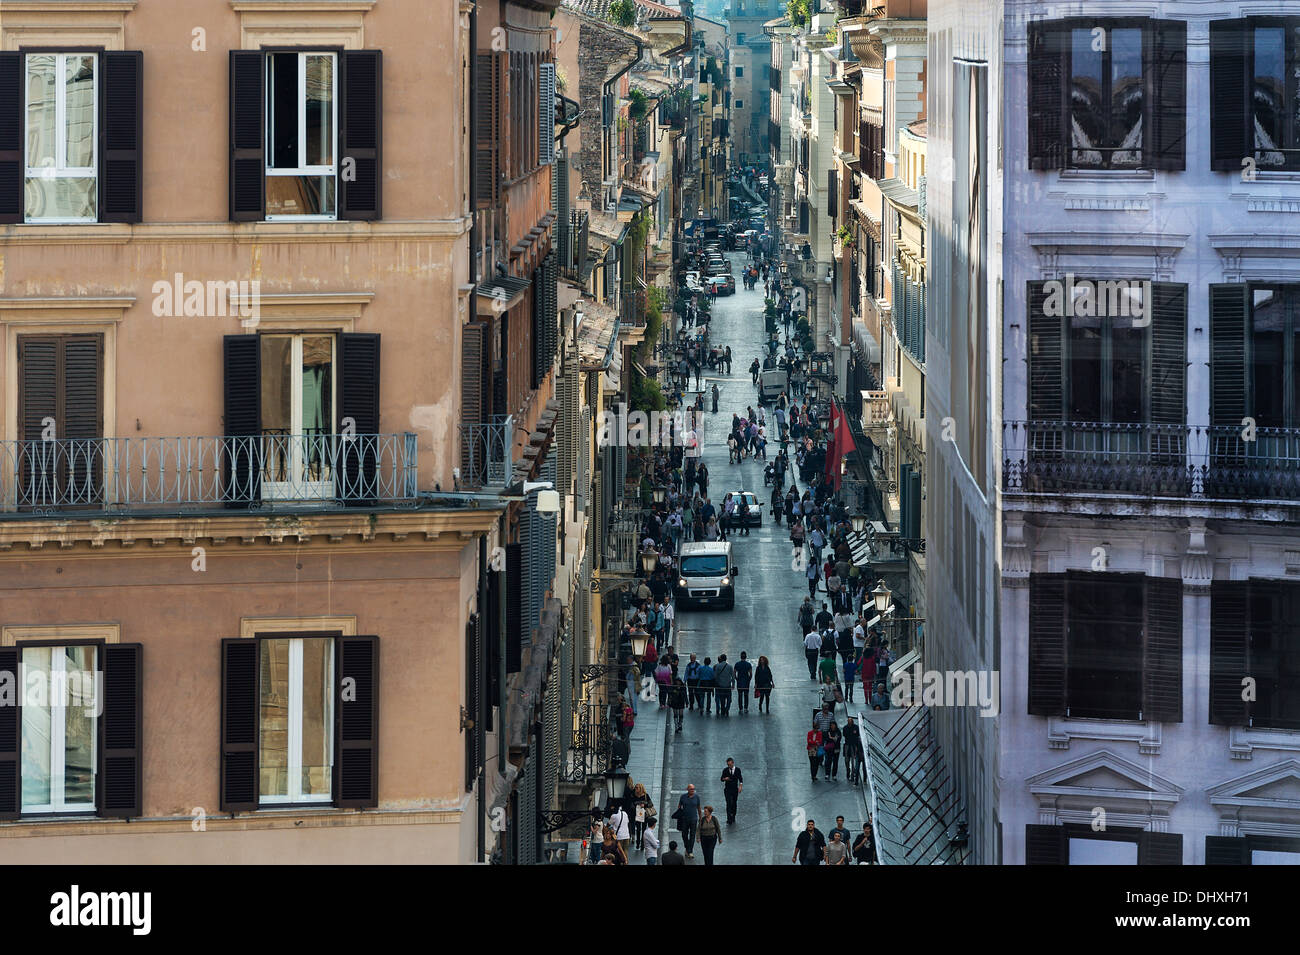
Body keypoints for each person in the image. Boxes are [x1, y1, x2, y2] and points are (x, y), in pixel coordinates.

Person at [675, 784, 702, 859]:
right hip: (684, 819)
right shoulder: (683, 797)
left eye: (693, 789)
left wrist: (700, 818)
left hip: (694, 819)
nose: (692, 790)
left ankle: (690, 851)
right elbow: (679, 806)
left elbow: (699, 808)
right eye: (691, 789)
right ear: (687, 789)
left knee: (692, 835)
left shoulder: (697, 797)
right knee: (684, 835)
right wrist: (679, 816)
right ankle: (687, 848)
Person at [631, 782, 655, 851]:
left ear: (641, 788)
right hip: (637, 815)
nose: (636, 789)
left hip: (645, 815)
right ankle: (638, 843)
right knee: (638, 829)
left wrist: (644, 805)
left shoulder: (645, 795)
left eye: (637, 787)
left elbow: (651, 804)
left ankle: (642, 844)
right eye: (635, 787)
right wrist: (635, 806)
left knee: (644, 830)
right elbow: (631, 804)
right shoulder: (634, 795)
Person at [720, 757, 743, 824]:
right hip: (727, 789)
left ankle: (733, 816)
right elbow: (721, 779)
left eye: (730, 765)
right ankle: (729, 818)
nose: (729, 766)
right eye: (728, 765)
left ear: (733, 763)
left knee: (734, 803)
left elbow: (740, 779)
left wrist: (740, 786)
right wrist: (725, 779)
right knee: (728, 803)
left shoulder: (738, 770)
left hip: (734, 789)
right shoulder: (725, 770)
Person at [843, 715, 864, 785]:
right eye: (849, 722)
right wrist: (852, 734)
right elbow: (845, 734)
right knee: (846, 760)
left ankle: (852, 775)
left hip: (854, 745)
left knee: (853, 761)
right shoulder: (845, 727)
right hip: (847, 745)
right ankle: (847, 770)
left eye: (851, 721)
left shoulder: (856, 727)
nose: (850, 723)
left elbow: (857, 734)